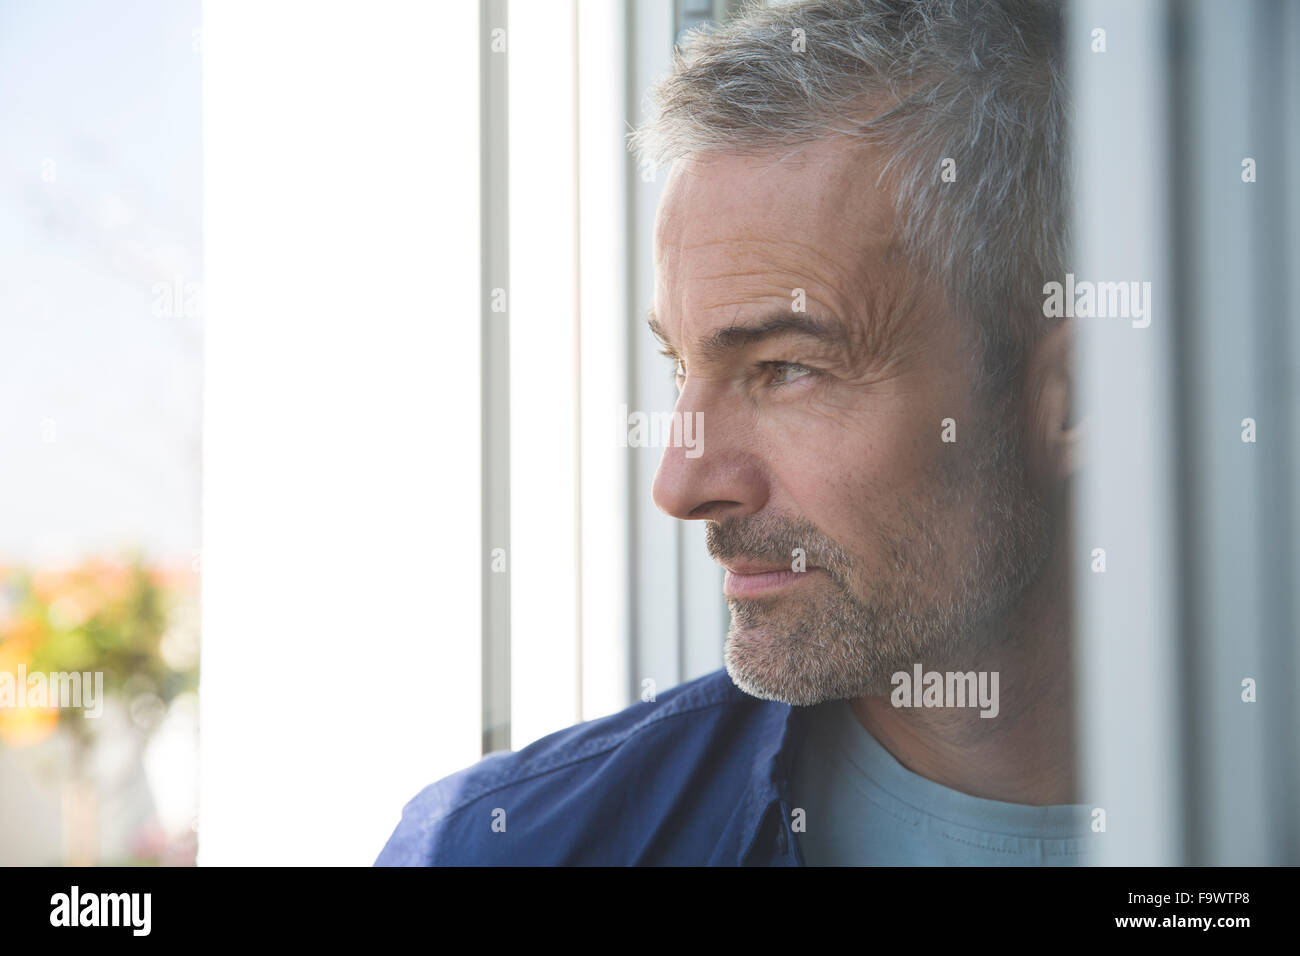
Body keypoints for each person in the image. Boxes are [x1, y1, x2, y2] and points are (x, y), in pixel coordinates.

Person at [376, 0, 1093, 866]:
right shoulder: (513, 847)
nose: (679, 485)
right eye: (681, 368)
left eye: (786, 369)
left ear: (1074, 396)